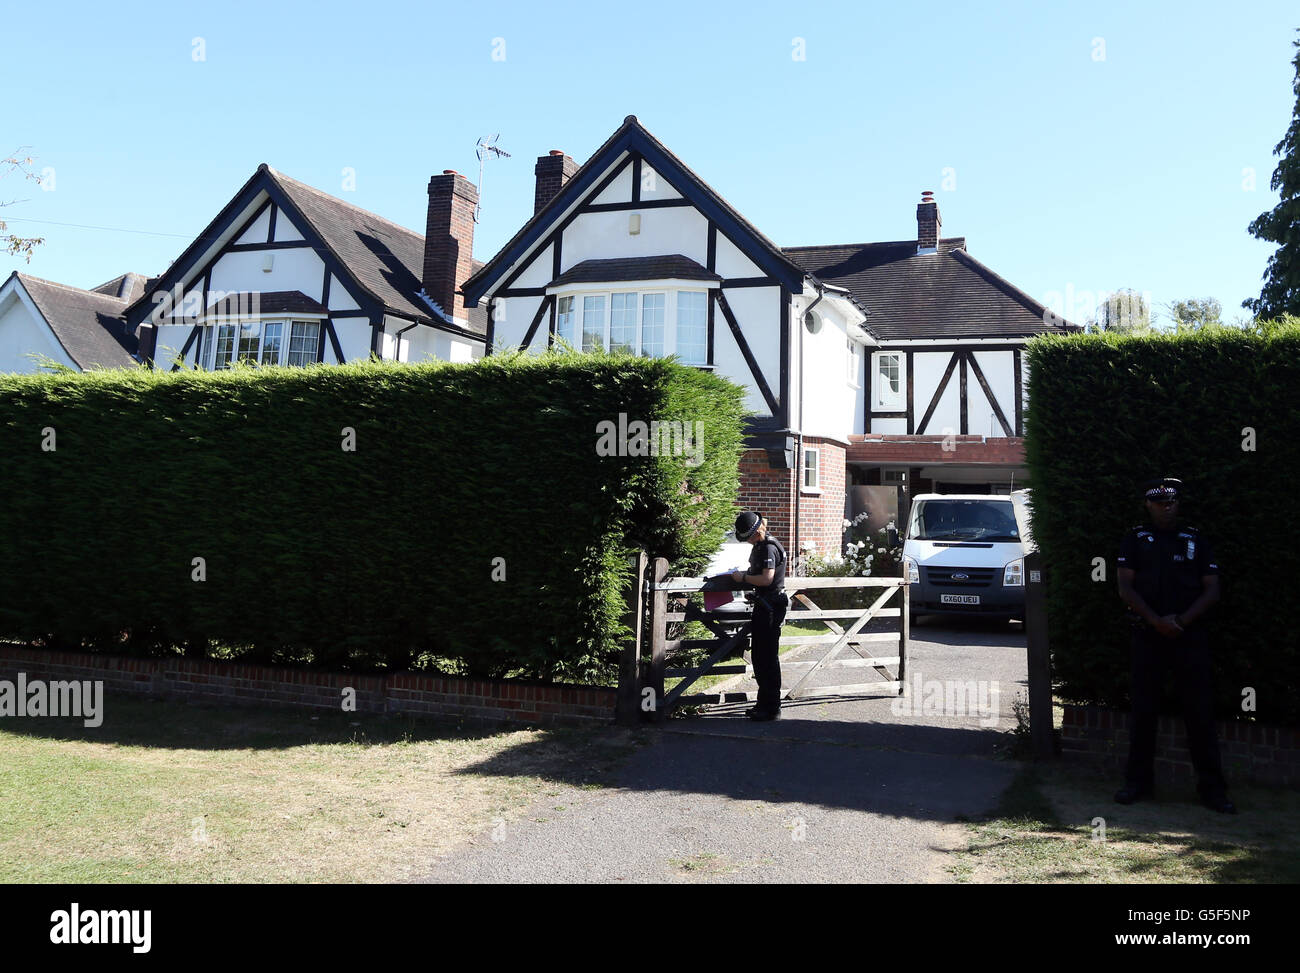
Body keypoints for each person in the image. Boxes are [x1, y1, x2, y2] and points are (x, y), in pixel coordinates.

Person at [1115, 478, 1235, 813]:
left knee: (1199, 713)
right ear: (1148, 505)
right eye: (1160, 503)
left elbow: (1212, 590)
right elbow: (1126, 588)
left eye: (1172, 503)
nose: (1167, 508)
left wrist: (1180, 622)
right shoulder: (1135, 539)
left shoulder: (1195, 539)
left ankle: (1212, 790)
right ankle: (1137, 784)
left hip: (1190, 636)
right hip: (1147, 636)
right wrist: (1156, 620)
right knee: (1143, 711)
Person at [731, 511, 788, 721]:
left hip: (771, 606)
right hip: (765, 605)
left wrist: (742, 577)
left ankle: (771, 707)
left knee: (767, 658)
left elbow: (766, 579)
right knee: (760, 657)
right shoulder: (761, 546)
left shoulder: (768, 548)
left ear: (754, 534)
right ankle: (763, 704)